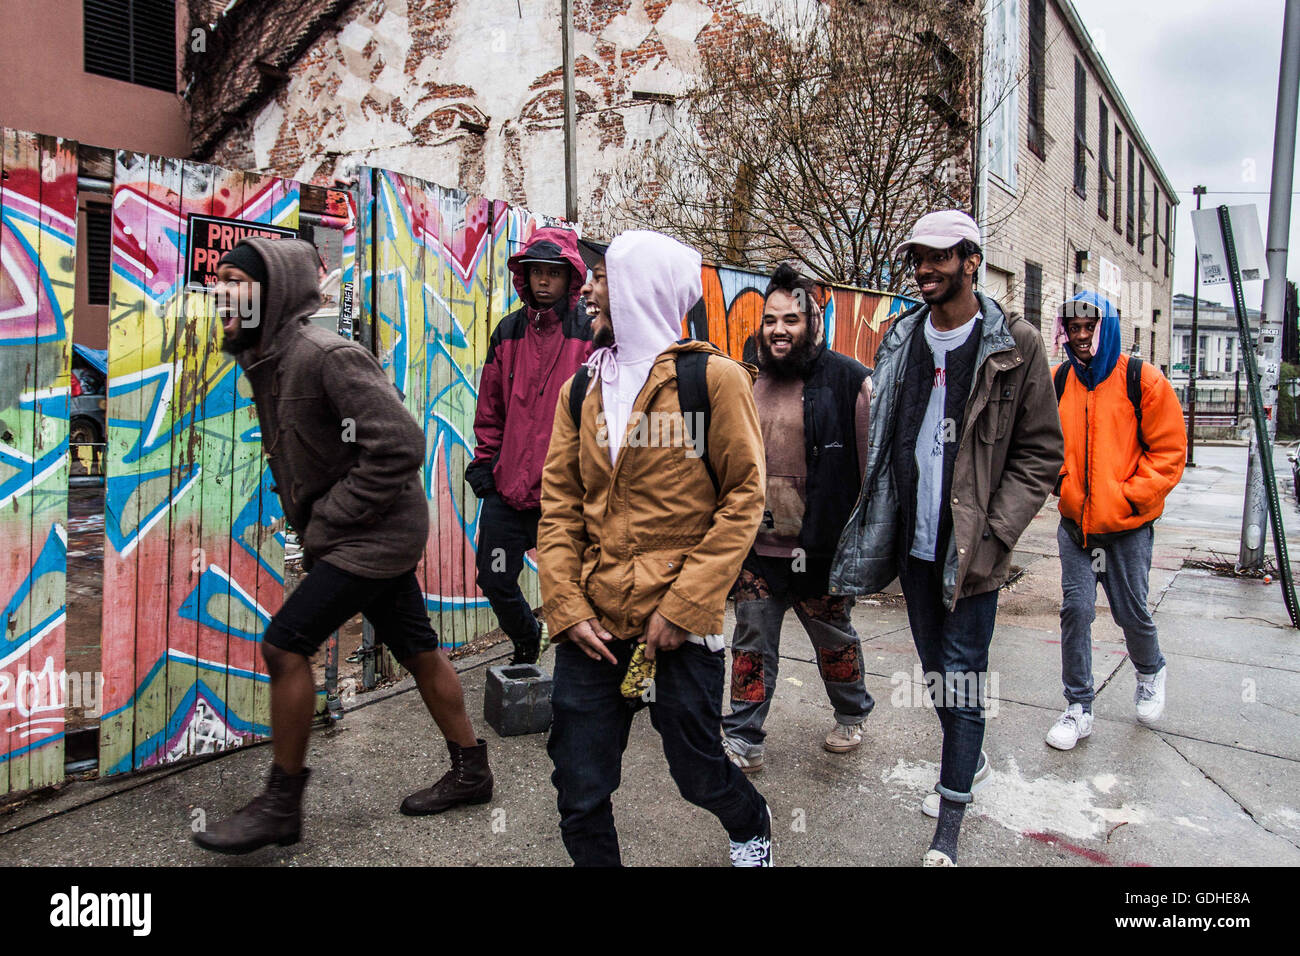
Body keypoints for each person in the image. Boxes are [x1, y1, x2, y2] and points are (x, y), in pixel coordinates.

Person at [193, 238, 491, 855]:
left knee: (284, 644)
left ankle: (282, 804)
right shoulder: (268, 361)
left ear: (273, 291)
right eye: (215, 279)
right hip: (363, 534)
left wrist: (331, 518)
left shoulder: (324, 355)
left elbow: (401, 444)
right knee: (416, 647)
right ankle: (472, 770)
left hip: (373, 535)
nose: (219, 291)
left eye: (234, 280)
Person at [827, 210, 1064, 866]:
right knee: (938, 674)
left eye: (938, 257)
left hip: (972, 553)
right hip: (914, 544)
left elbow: (1041, 452)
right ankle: (972, 758)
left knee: (961, 675)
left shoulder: (1014, 344)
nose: (925, 269)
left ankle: (948, 827)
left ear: (971, 259)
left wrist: (996, 533)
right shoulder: (904, 335)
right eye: (917, 259)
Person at [538, 230, 773, 866]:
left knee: (697, 771)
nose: (586, 287)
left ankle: (751, 822)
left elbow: (743, 499)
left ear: (639, 285)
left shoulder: (712, 381)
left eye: (602, 276)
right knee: (579, 788)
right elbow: (558, 507)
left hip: (681, 626)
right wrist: (566, 605)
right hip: (593, 625)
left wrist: (686, 605)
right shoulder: (582, 390)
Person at [721, 264, 875, 773]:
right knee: (751, 642)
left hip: (821, 552)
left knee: (834, 641)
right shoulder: (748, 381)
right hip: (757, 550)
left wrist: (859, 547)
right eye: (770, 320)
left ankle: (851, 713)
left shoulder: (850, 381)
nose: (778, 330)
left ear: (813, 322)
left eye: (791, 319)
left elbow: (871, 471)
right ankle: (743, 736)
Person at [1046, 292, 1186, 749]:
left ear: (1106, 327)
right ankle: (1078, 706)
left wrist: (1129, 497)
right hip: (1077, 529)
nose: (1081, 337)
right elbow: (1040, 441)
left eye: (1090, 327)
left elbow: (1168, 453)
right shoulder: (1059, 379)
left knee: (1131, 612)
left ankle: (1150, 671)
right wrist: (1060, 482)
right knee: (1076, 611)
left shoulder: (1141, 380)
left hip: (1126, 528)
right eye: (1074, 328)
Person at [466, 228, 592, 664]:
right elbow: (491, 406)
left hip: (565, 497)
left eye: (552, 273)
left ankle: (584, 680)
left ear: (570, 278)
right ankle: (527, 637)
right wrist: (486, 461)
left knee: (576, 589)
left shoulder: (590, 334)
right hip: (509, 490)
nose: (542, 281)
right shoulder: (507, 333)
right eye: (535, 271)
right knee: (495, 576)